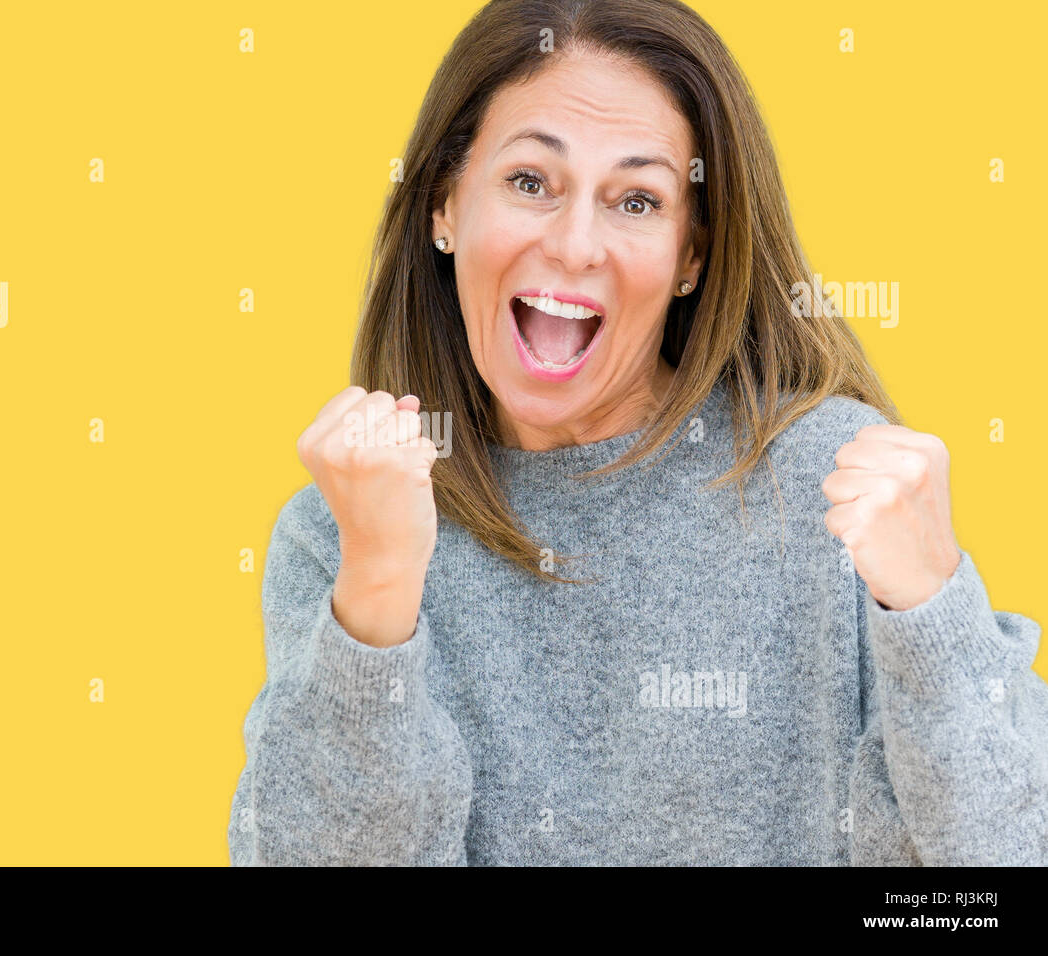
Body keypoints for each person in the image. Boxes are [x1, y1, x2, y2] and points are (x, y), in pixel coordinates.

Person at [227, 0, 1048, 865]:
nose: (576, 245)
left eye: (637, 200)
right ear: (443, 206)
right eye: (530, 182)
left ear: (691, 256)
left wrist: (931, 612)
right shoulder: (341, 533)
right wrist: (380, 594)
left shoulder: (834, 488)